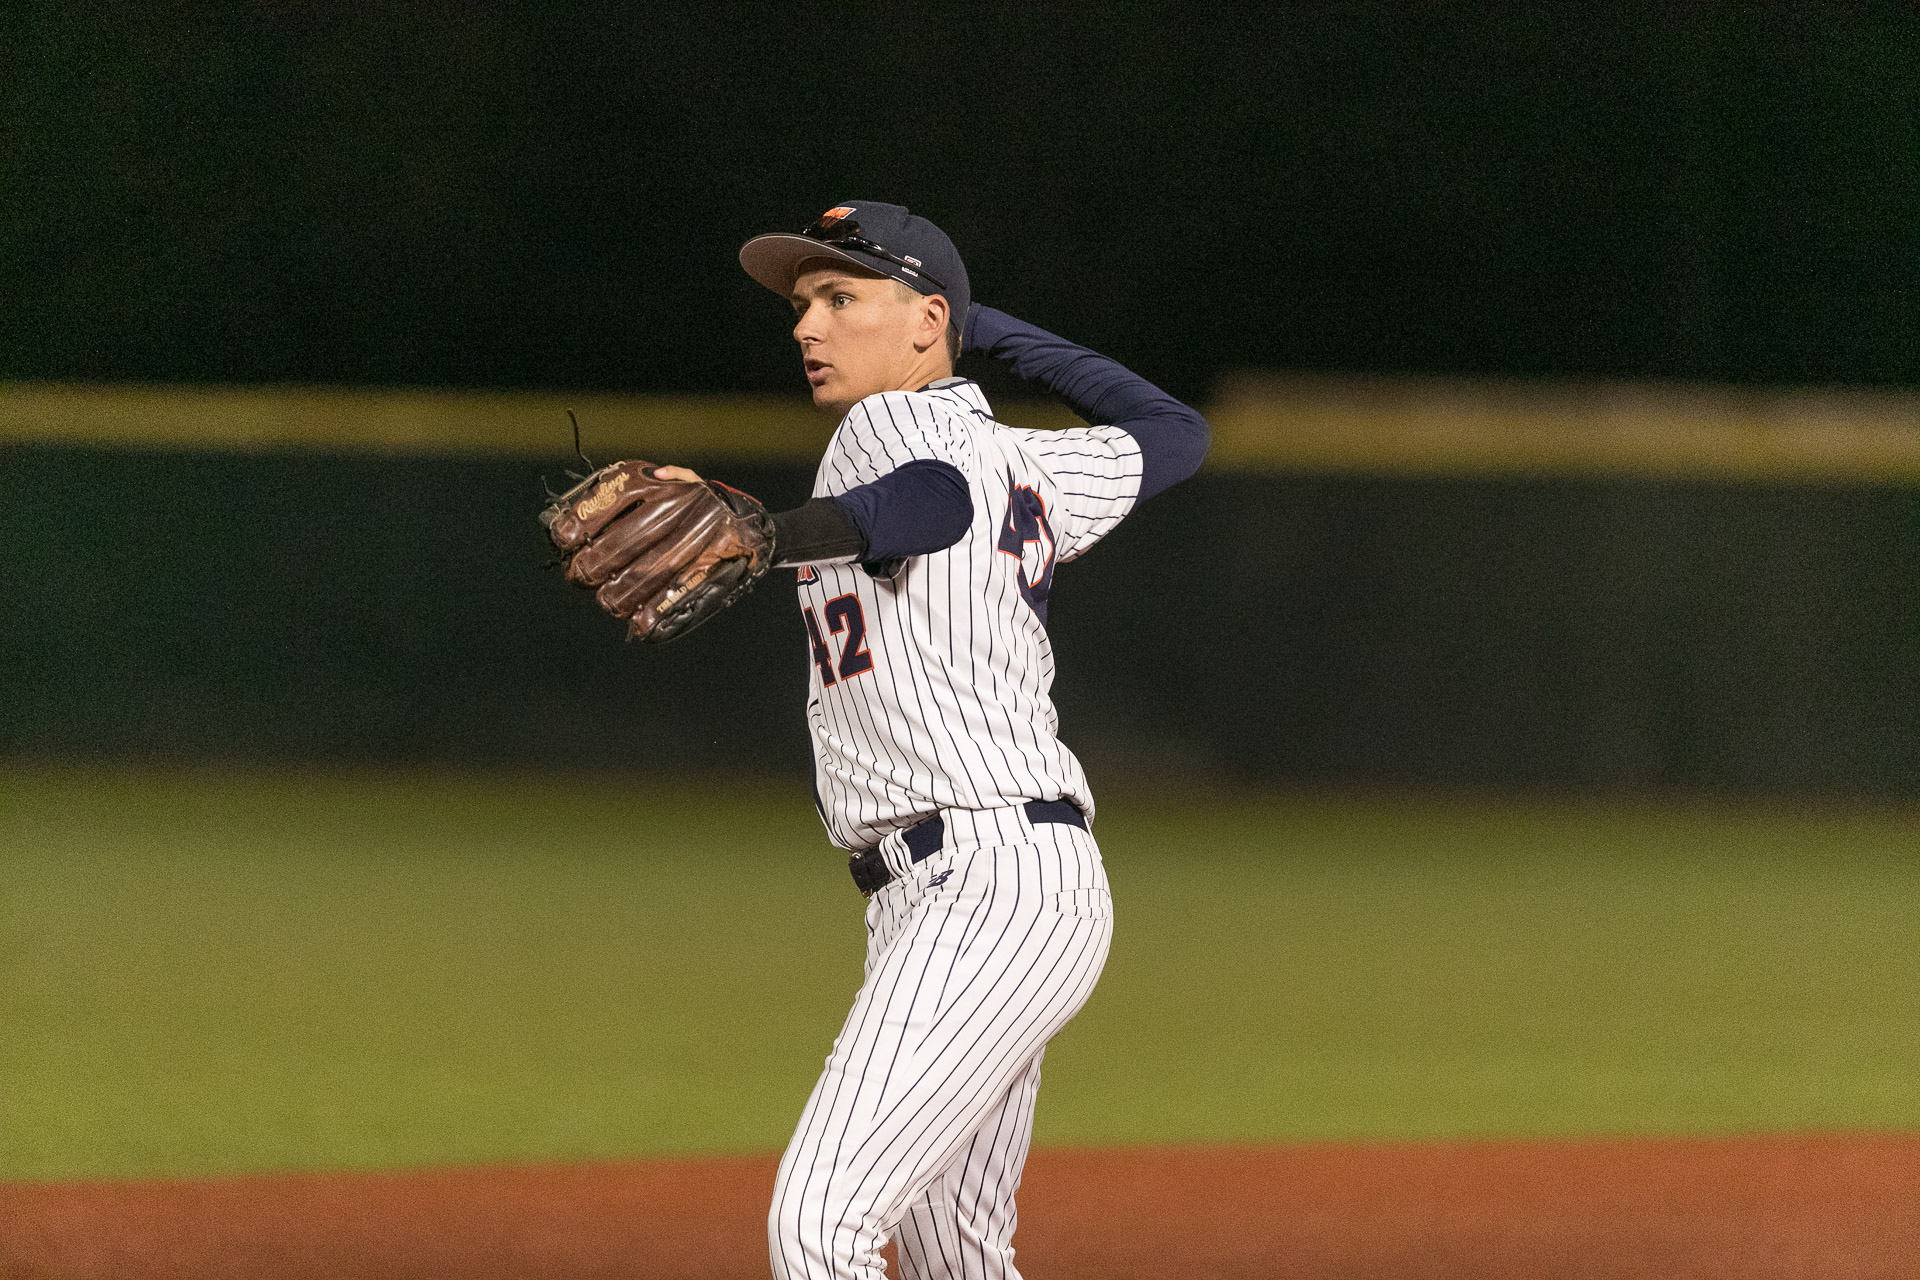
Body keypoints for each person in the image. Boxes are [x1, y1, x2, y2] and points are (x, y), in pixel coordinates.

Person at [718, 201, 1209, 1279]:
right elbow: (1174, 432)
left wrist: (773, 535)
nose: (807, 325)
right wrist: (984, 326)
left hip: (982, 883)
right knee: (957, 1258)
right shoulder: (1027, 462)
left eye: (840, 297)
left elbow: (927, 505)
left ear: (924, 319)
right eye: (803, 303)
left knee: (820, 1225)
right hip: (1004, 880)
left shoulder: (888, 427)